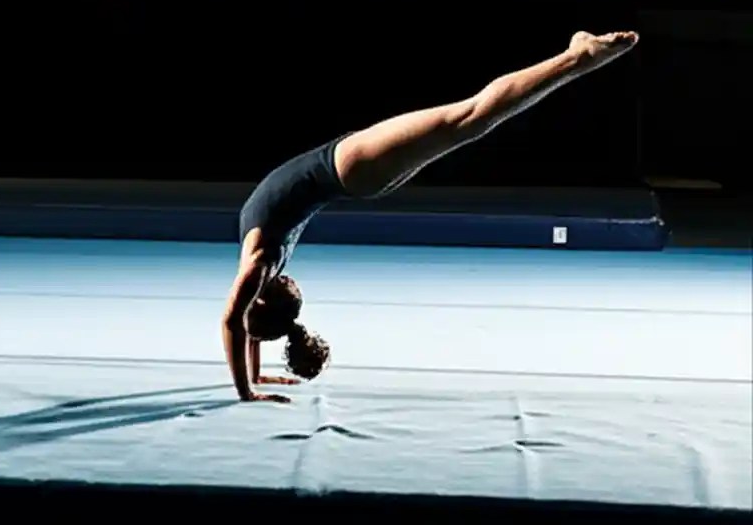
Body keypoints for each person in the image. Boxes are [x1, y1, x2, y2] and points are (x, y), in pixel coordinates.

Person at [223, 30, 641, 402]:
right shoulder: (261, 262)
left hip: (356, 171)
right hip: (353, 165)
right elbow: (238, 321)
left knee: (470, 121)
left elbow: (239, 322)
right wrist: (248, 388)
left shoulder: (260, 269)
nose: (295, 286)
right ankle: (577, 58)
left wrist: (252, 381)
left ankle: (577, 57)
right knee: (470, 118)